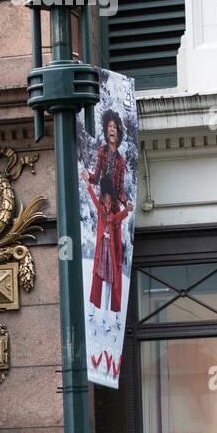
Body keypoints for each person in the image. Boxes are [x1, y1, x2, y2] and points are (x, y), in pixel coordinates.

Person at [81, 109, 132, 312]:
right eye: (109, 127)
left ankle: (115, 308)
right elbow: (96, 176)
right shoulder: (101, 152)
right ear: (106, 130)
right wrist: (88, 176)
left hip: (116, 212)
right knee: (101, 256)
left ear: (118, 133)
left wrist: (127, 203)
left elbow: (120, 189)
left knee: (116, 259)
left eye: (115, 128)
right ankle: (95, 305)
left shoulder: (121, 161)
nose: (112, 130)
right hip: (104, 207)